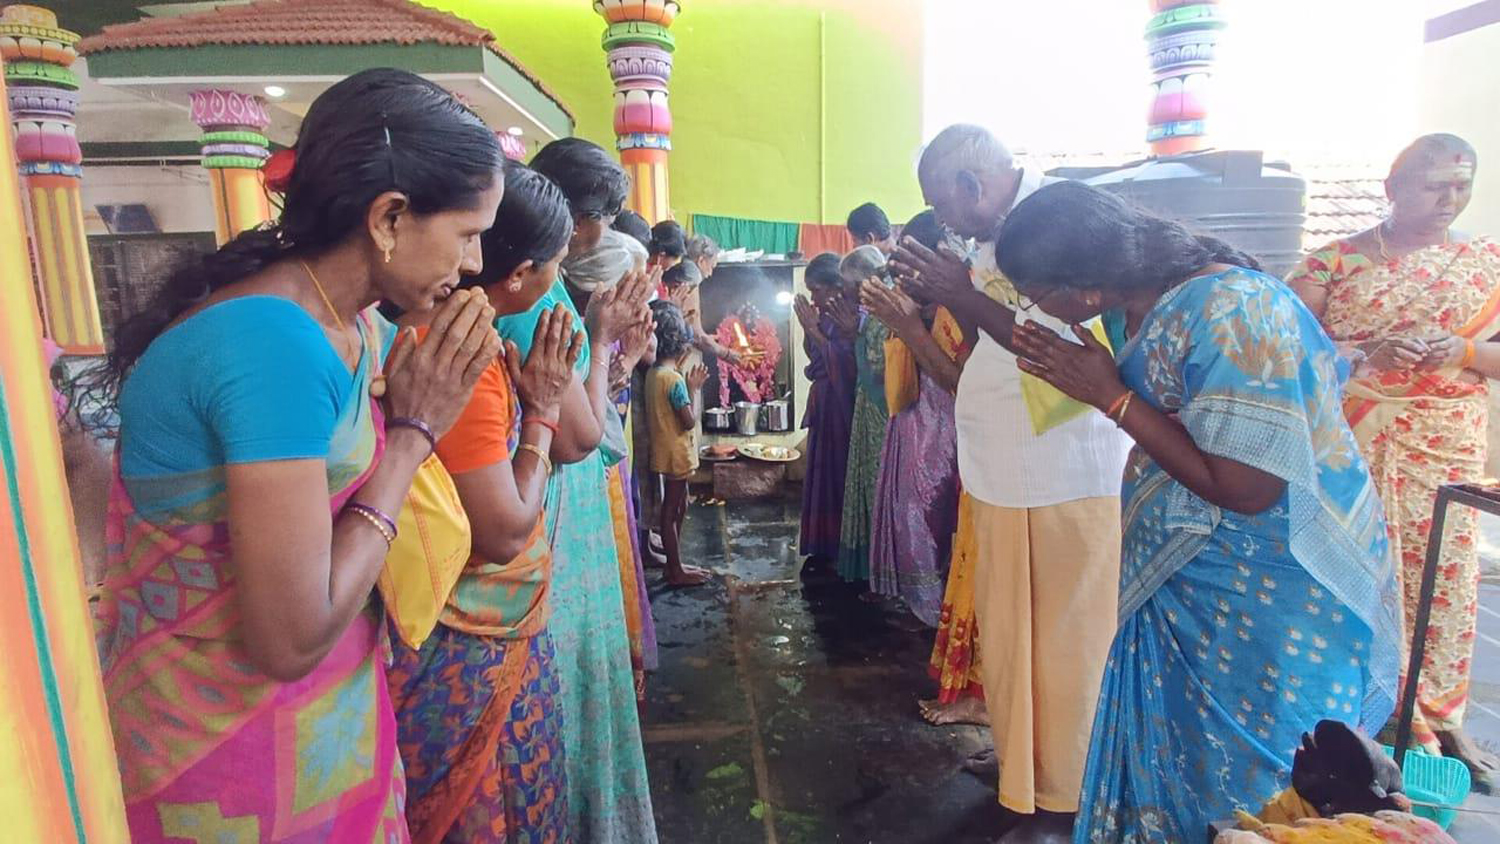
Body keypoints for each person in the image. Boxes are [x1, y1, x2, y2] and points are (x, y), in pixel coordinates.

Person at [94, 68, 505, 842]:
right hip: (226, 761)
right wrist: (411, 437)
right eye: (467, 231)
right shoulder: (269, 341)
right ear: (389, 217)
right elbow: (288, 637)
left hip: (329, 732)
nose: (476, 262)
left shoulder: (356, 328)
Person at [999, 181, 1399, 843]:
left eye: (1033, 291)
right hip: (1186, 572)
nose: (1032, 307)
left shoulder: (1237, 309)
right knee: (1176, 748)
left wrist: (1110, 397)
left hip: (1267, 584)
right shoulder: (1132, 308)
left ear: (1085, 285)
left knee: (1256, 771)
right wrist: (1104, 382)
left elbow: (1248, 490)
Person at [891, 125, 1129, 841]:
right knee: (1013, 636)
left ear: (973, 186)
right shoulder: (996, 237)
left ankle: (1066, 798)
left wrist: (958, 294)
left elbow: (1055, 348)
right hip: (1008, 473)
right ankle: (1025, 777)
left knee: (1068, 642)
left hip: (1064, 474)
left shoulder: (1059, 220)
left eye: (945, 205)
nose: (945, 222)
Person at [1287, 133, 1500, 785]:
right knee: (1359, 571)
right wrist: (1363, 356)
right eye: (1434, 185)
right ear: (1392, 188)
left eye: (1461, 186)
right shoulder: (1330, 265)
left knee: (1448, 576)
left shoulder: (1487, 262)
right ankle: (1373, 710)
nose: (1449, 200)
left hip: (1447, 444)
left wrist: (1461, 354)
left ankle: (1437, 712)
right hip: (1357, 445)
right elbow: (1284, 356)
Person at [387, 163, 579, 844]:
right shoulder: (461, 355)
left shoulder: (452, 336)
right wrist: (545, 412)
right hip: (469, 640)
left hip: (471, 627)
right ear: (523, 275)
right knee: (496, 805)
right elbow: (502, 531)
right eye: (559, 264)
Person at [512, 137, 660, 844]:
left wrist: (616, 356)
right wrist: (603, 343)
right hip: (550, 510)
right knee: (563, 677)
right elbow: (582, 436)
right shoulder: (535, 295)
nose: (598, 232)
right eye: (597, 217)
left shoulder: (541, 284)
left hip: (551, 500)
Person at [562, 228, 660, 698]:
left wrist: (627, 353)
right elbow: (587, 424)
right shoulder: (574, 334)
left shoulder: (595, 332)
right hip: (585, 470)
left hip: (600, 461)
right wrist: (609, 350)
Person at [863, 210, 964, 626]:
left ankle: (942, 611)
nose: (904, 277)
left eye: (910, 267)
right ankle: (927, 607)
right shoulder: (921, 306)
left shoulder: (958, 309)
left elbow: (958, 380)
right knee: (911, 510)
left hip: (949, 429)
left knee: (932, 514)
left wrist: (908, 325)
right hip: (913, 422)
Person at [794, 253, 859, 567]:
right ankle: (820, 540)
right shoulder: (825, 313)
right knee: (820, 469)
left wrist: (814, 330)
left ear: (837, 287)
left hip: (839, 404)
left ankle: (838, 543)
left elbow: (847, 364)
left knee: (838, 471)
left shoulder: (849, 313)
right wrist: (809, 330)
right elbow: (814, 355)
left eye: (817, 290)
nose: (813, 298)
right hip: (824, 400)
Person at [835, 245, 892, 584]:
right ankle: (874, 574)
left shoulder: (884, 315)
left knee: (879, 490)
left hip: (881, 414)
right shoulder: (873, 314)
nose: (845, 293)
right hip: (868, 410)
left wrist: (853, 335)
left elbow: (881, 369)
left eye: (848, 286)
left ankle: (885, 578)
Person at [646, 301, 712, 587]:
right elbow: (689, 421)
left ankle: (675, 563)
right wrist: (694, 389)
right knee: (671, 512)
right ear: (683, 346)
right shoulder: (674, 381)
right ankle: (674, 570)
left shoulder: (653, 373)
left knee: (678, 505)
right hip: (678, 454)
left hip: (663, 450)